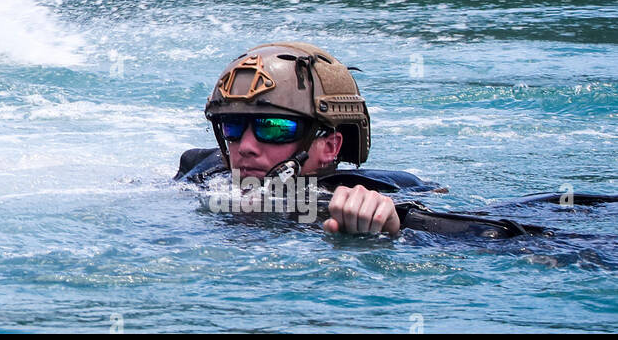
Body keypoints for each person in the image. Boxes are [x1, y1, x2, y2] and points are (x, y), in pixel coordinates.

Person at [175, 41, 440, 235]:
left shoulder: (377, 195)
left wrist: (394, 225)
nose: (245, 147)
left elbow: (476, 237)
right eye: (232, 127)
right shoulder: (205, 172)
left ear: (330, 146)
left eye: (273, 128)